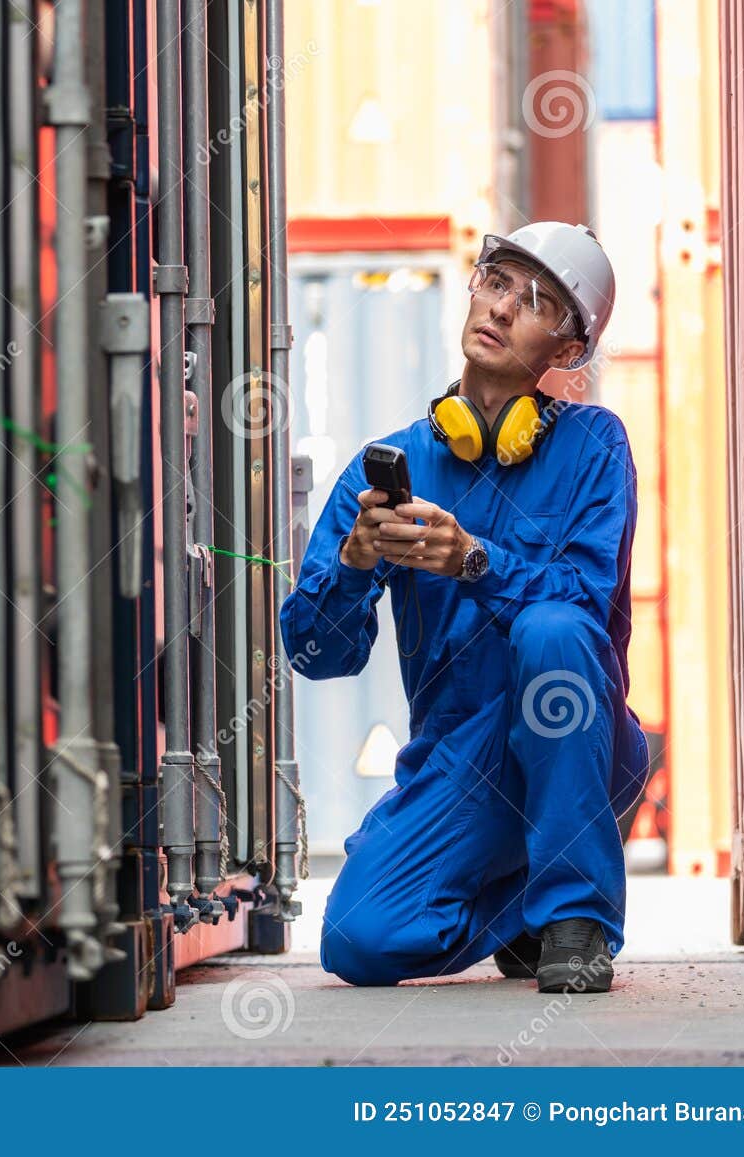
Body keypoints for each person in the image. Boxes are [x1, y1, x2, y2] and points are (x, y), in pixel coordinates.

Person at [279, 221, 649, 993]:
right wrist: (351, 565)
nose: (505, 308)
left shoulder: (595, 447)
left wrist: (473, 560)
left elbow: (585, 603)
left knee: (552, 628)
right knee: (358, 940)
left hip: (571, 734)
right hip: (459, 760)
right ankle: (522, 911)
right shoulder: (391, 467)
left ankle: (576, 916)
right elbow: (319, 655)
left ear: (567, 351)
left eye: (538, 301)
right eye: (498, 281)